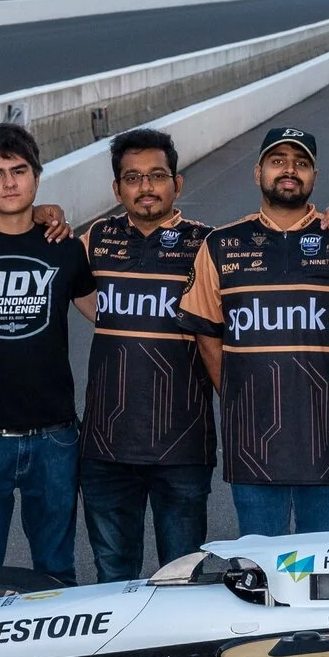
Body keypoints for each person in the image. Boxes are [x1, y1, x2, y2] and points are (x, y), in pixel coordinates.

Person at [177, 125, 329, 537]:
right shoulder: (221, 245)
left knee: (322, 566)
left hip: (328, 444)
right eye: (278, 161)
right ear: (258, 172)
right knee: (261, 567)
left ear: (314, 176)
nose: (290, 170)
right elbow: (205, 332)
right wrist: (237, 395)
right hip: (253, 445)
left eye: (301, 163)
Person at [0, 124, 96, 580]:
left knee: (57, 570)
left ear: (37, 176)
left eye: (19, 171)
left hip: (56, 437)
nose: (9, 183)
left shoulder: (64, 247)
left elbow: (107, 316)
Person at [78, 128, 214, 581]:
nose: (146, 187)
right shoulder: (95, 239)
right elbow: (76, 288)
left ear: (178, 183)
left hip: (183, 446)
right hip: (106, 448)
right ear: (117, 189)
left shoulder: (208, 244)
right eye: (132, 178)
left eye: (157, 175)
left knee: (182, 579)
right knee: (114, 579)